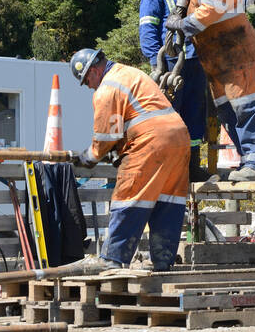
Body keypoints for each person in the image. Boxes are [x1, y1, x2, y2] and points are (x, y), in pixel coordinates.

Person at [159, 0, 255, 182]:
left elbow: (208, 13)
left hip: (236, 51)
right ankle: (248, 163)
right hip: (217, 57)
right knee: (229, 114)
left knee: (247, 107)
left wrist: (180, 24)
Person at [68, 47, 190, 271]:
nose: (88, 86)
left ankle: (113, 259)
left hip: (151, 142)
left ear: (93, 71)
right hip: (179, 138)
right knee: (168, 201)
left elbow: (105, 137)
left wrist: (89, 157)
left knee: (129, 197)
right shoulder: (131, 74)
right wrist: (119, 148)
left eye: (86, 80)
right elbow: (125, 122)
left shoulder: (107, 88)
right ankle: (163, 262)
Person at [139, 0, 211, 182]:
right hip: (170, 62)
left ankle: (192, 167)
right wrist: (156, 63)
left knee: (194, 117)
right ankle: (166, 169)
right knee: (168, 118)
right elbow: (148, 30)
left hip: (195, 60)